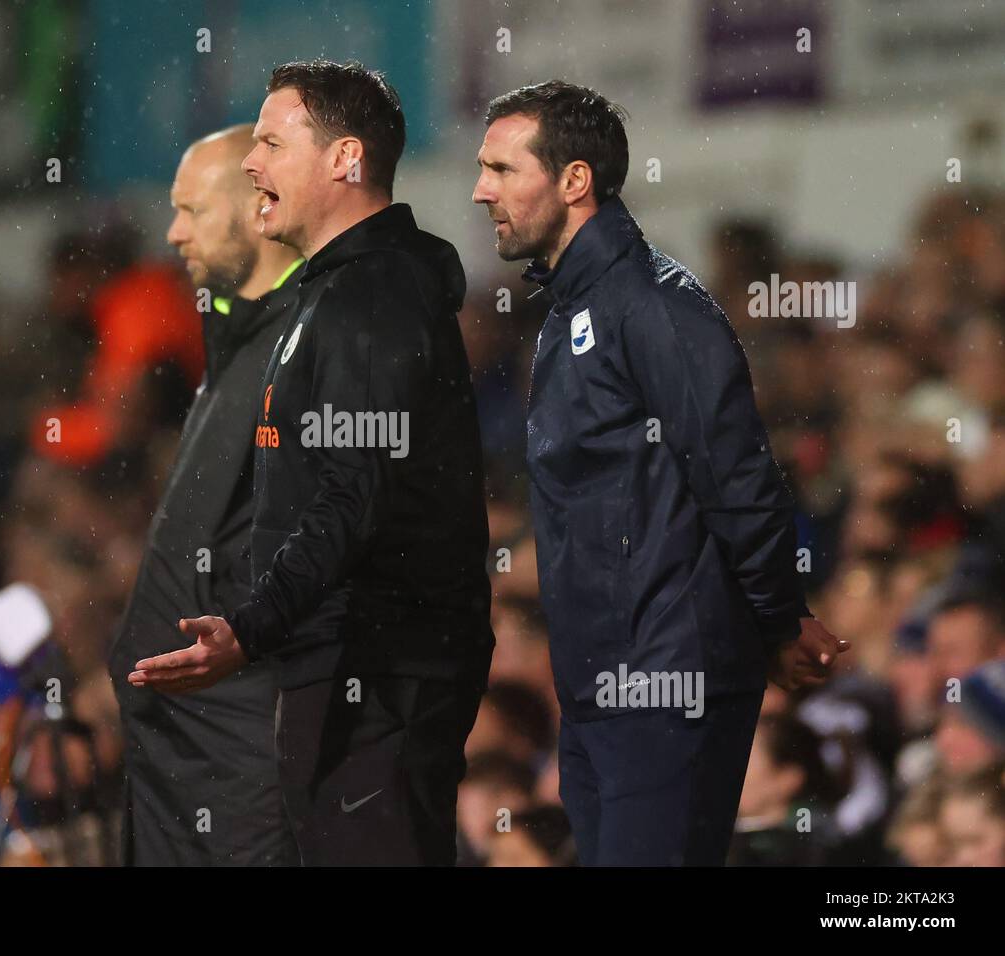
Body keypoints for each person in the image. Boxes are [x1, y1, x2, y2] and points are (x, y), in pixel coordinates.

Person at [471, 80, 847, 865]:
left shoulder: (653, 305)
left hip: (666, 683)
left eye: (503, 170)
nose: (481, 191)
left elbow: (738, 475)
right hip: (599, 686)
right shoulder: (573, 311)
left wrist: (777, 618)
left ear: (575, 180)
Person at [130, 59, 495, 866]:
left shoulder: (375, 295)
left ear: (345, 160)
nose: (253, 162)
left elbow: (353, 491)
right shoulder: (331, 295)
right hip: (342, 661)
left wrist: (250, 630)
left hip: (380, 666)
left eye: (270, 140)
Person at [108, 125, 304, 865]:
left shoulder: (310, 350)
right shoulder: (232, 348)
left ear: (258, 210)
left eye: (191, 210)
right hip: (178, 773)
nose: (172, 231)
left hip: (242, 780)